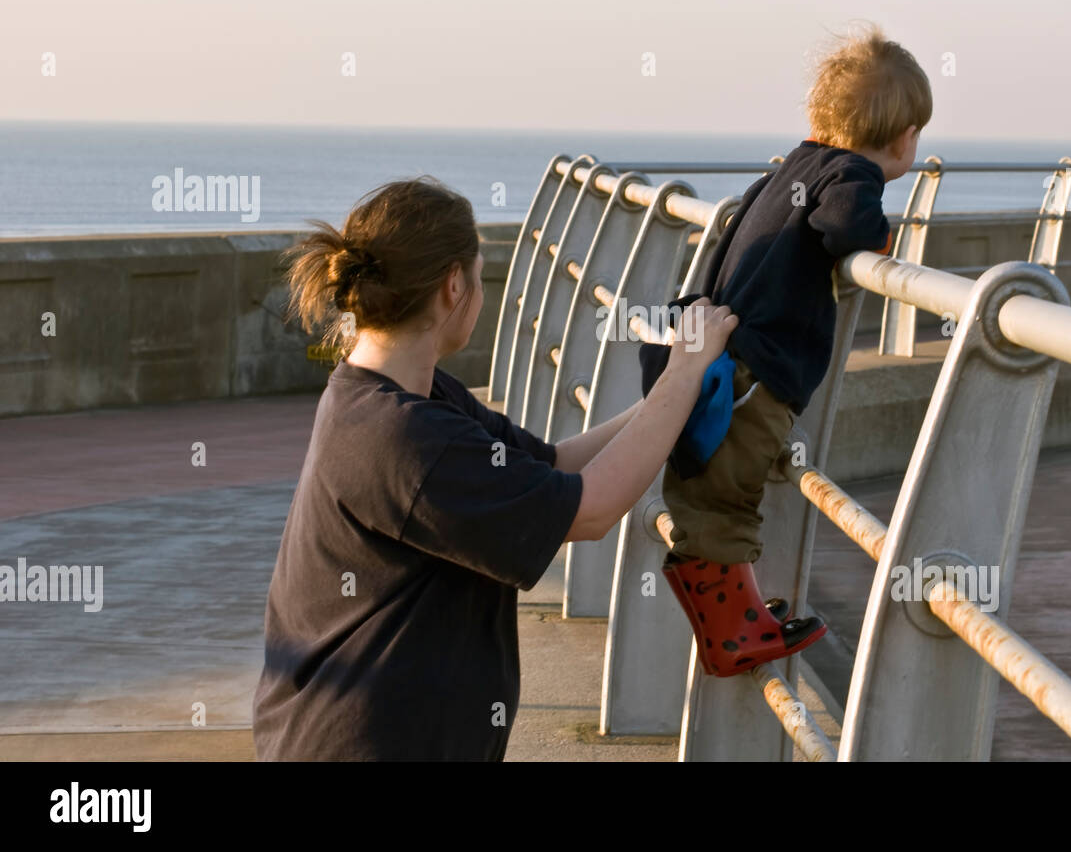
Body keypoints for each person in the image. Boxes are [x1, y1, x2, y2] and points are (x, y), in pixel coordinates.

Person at [252, 176, 738, 760]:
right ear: (453, 286)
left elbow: (556, 464)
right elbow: (590, 510)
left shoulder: (405, 398)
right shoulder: (406, 435)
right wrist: (683, 375)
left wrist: (672, 397)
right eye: (481, 278)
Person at [639, 24, 933, 677]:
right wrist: (876, 241)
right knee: (723, 499)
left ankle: (738, 617)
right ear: (904, 135)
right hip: (753, 373)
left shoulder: (790, 167)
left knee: (705, 490)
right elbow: (843, 227)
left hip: (717, 357)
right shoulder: (850, 172)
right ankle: (732, 636)